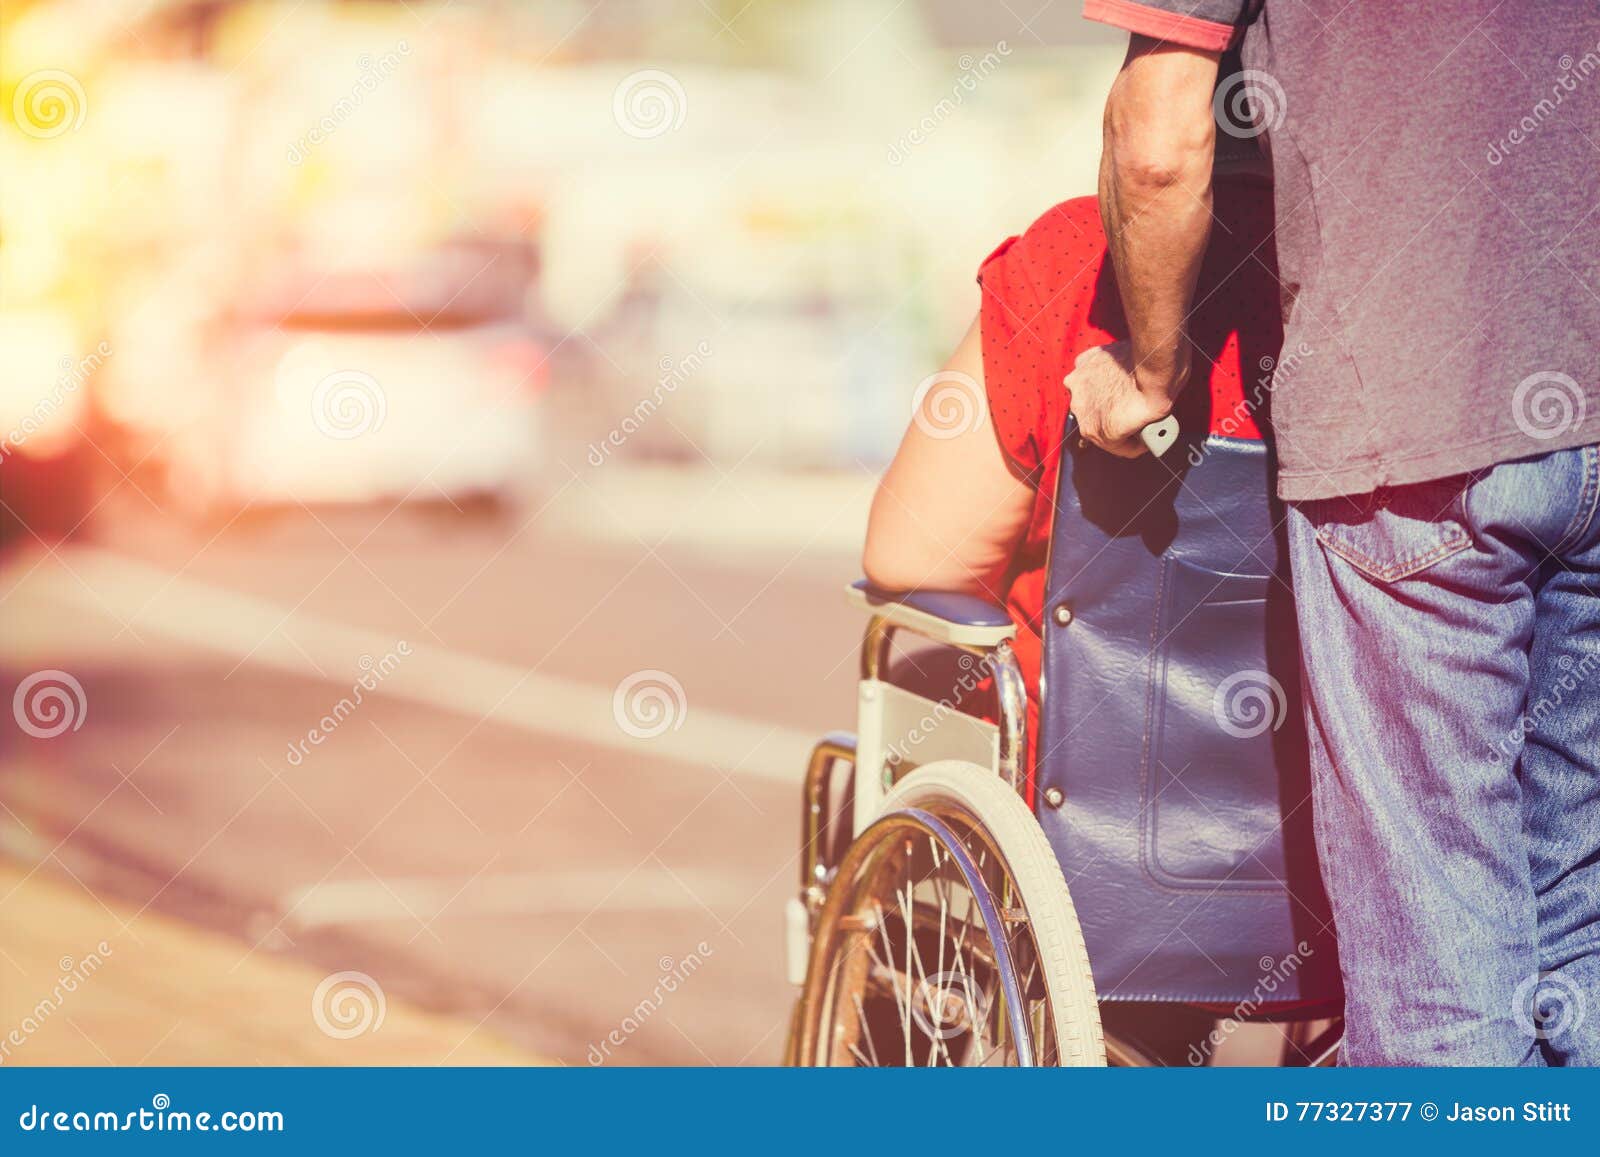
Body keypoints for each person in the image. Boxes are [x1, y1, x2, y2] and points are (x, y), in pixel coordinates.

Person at [1071, 2, 1600, 1064]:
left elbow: (1158, 145)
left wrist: (1152, 373)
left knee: (1442, 970)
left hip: (1416, 417)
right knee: (1580, 931)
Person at [862, 136, 1281, 800]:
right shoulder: (1413, 287)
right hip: (1355, 782)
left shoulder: (1074, 257)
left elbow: (910, 555)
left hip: (1076, 778)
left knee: (921, 683)